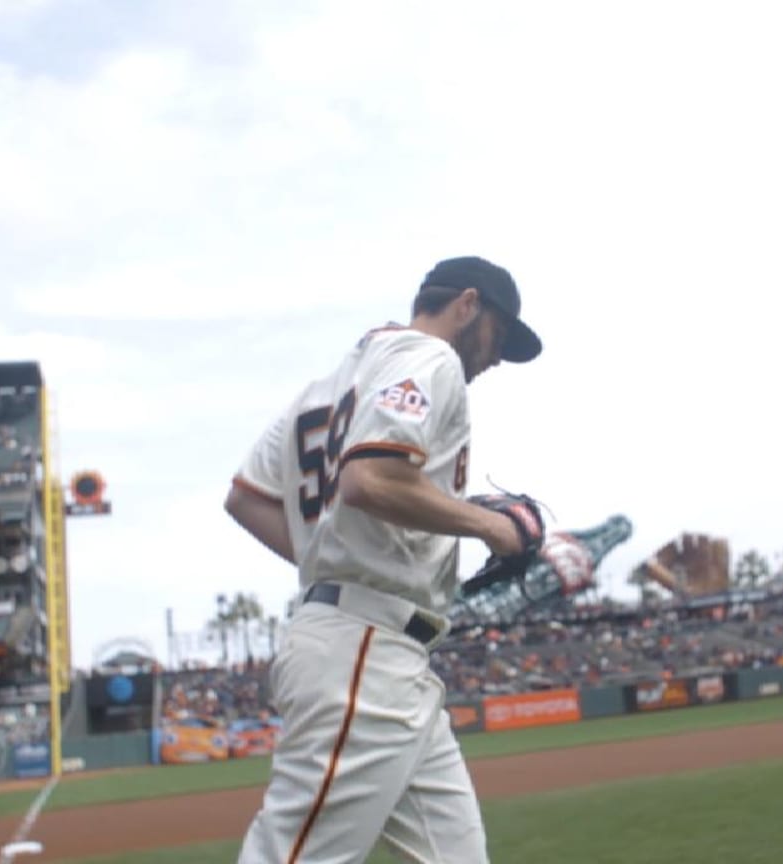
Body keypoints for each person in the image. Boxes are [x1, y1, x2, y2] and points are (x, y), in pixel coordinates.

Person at [225, 255, 544, 864]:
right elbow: (370, 480)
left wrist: (334, 556)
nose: (498, 356)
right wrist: (494, 529)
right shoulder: (432, 357)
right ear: (468, 305)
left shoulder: (328, 385)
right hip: (363, 650)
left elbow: (247, 498)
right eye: (500, 335)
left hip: (379, 649)